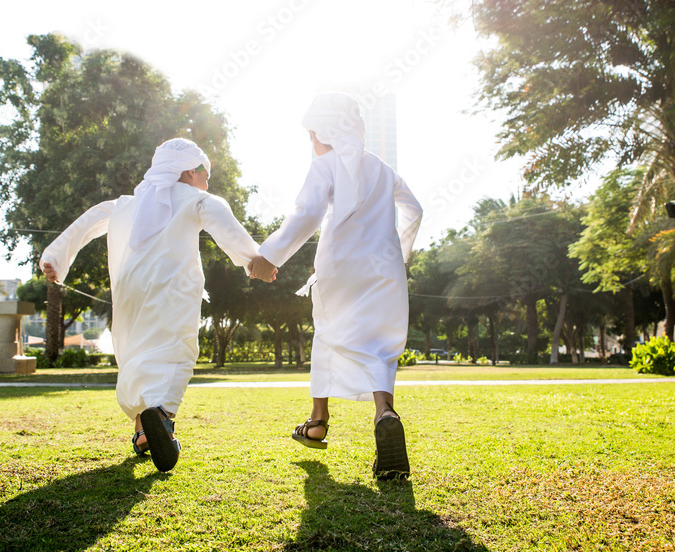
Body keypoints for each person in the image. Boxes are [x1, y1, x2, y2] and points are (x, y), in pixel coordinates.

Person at [40, 138, 271, 472]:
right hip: (173, 287)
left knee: (137, 354)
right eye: (206, 174)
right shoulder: (197, 198)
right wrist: (254, 260)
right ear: (190, 171)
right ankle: (161, 416)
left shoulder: (125, 204)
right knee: (177, 351)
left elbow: (87, 223)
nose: (208, 183)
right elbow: (225, 225)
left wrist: (54, 258)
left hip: (129, 289)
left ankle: (143, 433)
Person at [249, 92, 423, 479]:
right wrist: (401, 253)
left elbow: (308, 213)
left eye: (312, 134)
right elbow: (415, 210)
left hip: (340, 264)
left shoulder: (324, 165)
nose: (311, 141)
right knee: (380, 343)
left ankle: (318, 421)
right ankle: (385, 412)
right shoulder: (383, 169)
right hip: (385, 267)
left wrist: (269, 256)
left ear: (324, 132)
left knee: (328, 332)